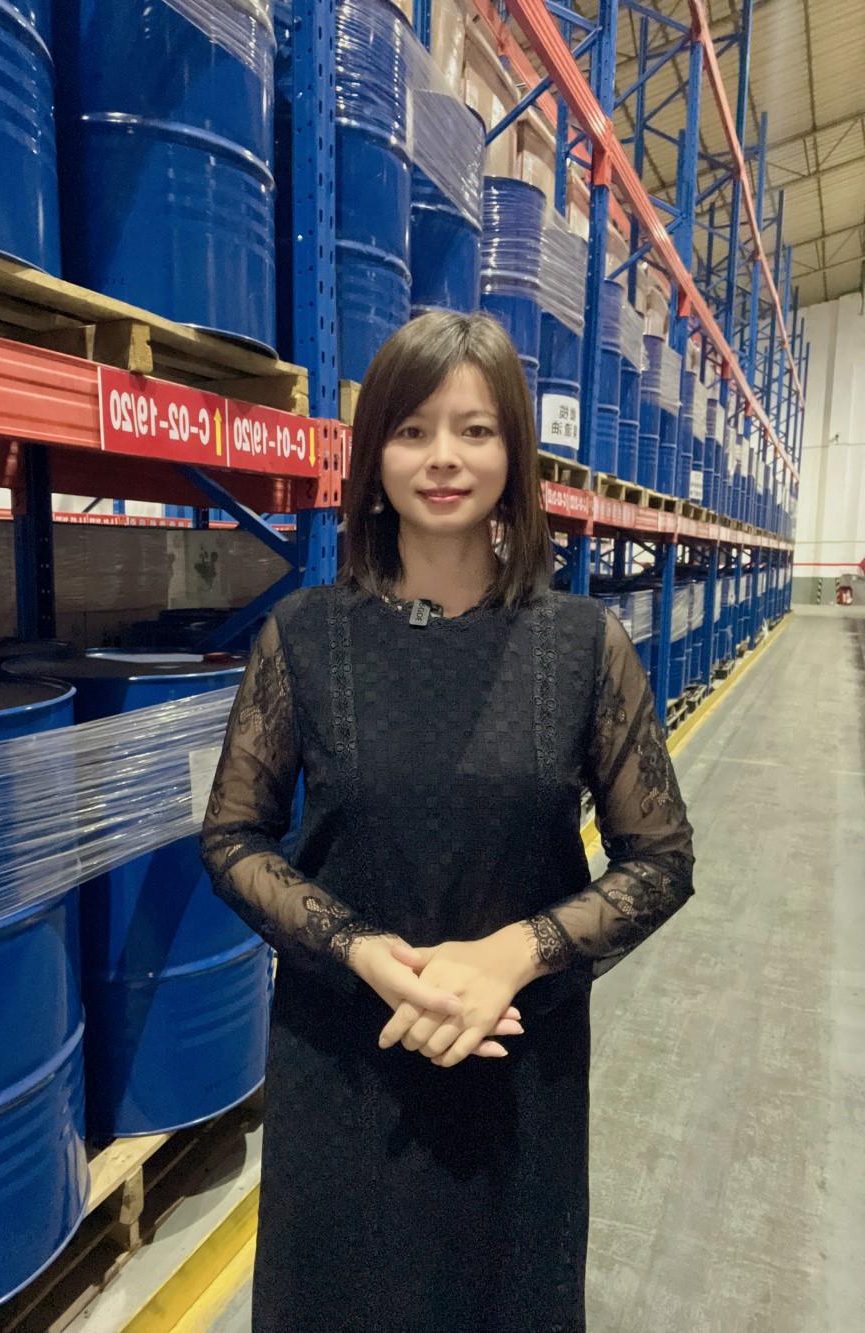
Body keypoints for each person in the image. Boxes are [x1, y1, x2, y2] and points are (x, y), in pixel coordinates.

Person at [202, 311, 696, 1332]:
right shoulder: (303, 636)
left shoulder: (582, 643)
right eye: (412, 429)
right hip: (346, 1052)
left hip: (515, 1065)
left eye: (475, 430)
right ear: (373, 453)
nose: (442, 458)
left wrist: (516, 952)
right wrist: (361, 948)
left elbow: (660, 857)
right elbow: (234, 838)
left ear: (513, 452)